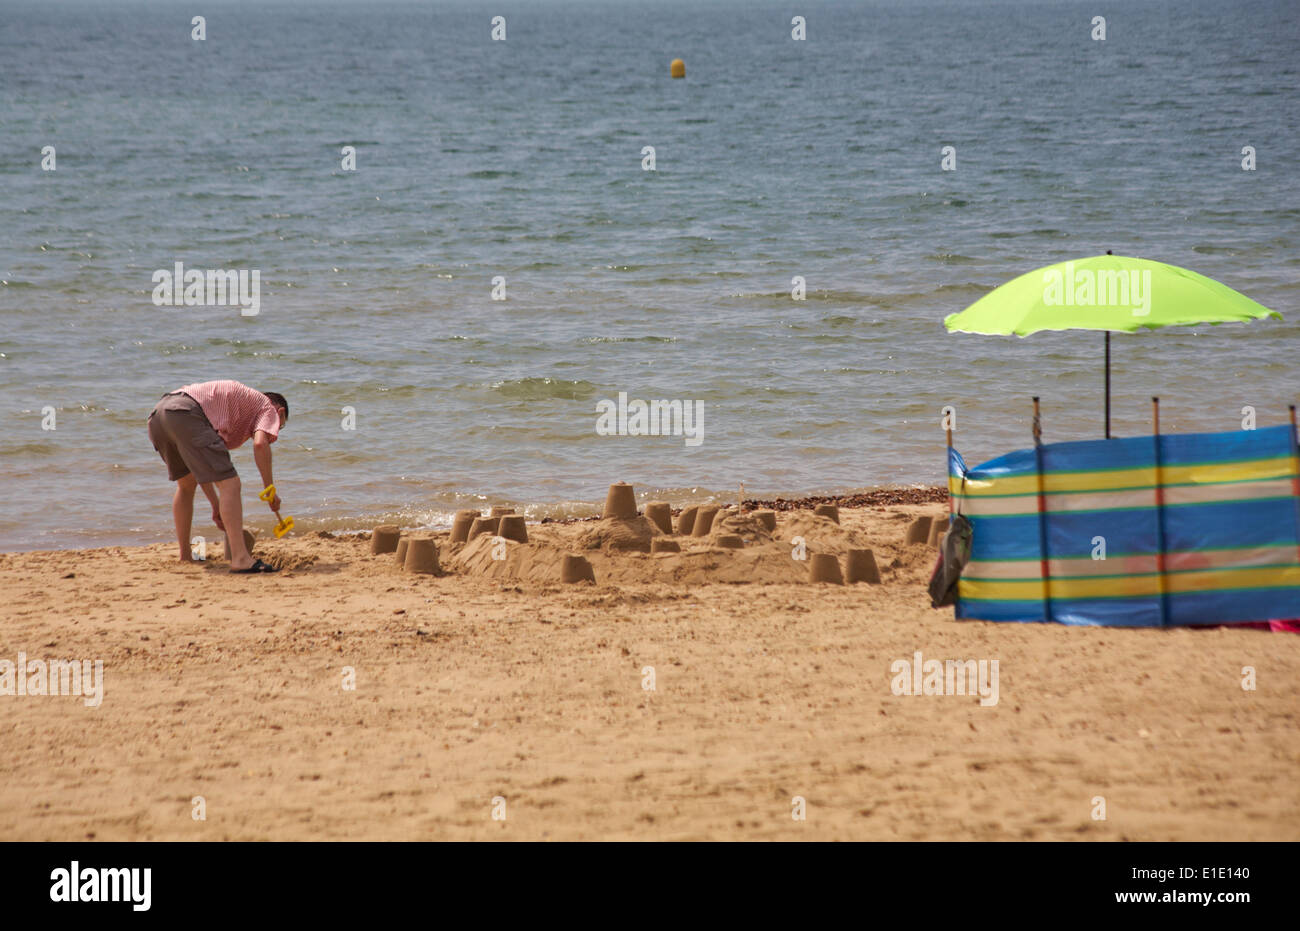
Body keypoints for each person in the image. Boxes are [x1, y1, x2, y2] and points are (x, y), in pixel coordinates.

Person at [147, 380, 288, 573]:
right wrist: (270, 490)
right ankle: (240, 558)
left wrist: (215, 505)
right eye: (280, 427)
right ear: (279, 413)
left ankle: (186, 556)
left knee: (186, 485)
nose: (274, 432)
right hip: (187, 412)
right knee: (231, 483)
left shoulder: (231, 412)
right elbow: (260, 445)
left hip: (160, 415)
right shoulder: (266, 407)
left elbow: (202, 472)